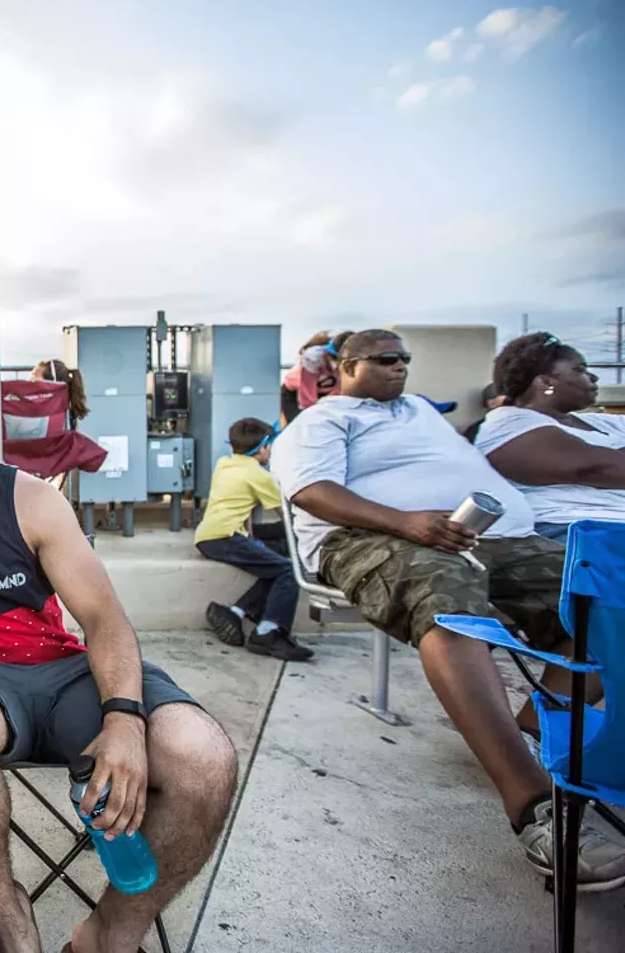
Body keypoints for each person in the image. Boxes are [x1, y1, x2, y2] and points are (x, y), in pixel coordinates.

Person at [0, 318, 236, 953]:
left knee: (203, 757)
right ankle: (12, 927)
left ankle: (106, 936)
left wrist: (123, 718)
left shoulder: (32, 499)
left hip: (61, 675)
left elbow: (102, 617)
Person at [271, 328, 625, 888]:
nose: (401, 367)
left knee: (608, 596)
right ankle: (532, 807)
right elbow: (313, 491)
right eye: (386, 359)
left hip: (489, 537)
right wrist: (410, 521)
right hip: (371, 535)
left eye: (406, 358)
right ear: (345, 366)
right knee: (447, 592)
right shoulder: (320, 421)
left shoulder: (418, 412)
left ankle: (531, 730)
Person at [477, 332, 625, 542]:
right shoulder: (507, 425)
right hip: (575, 529)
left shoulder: (600, 422)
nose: (593, 377)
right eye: (580, 370)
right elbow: (600, 469)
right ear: (545, 382)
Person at [194, 417, 311, 661]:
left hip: (208, 535)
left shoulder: (225, 463)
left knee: (275, 565)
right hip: (225, 536)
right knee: (289, 570)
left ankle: (235, 612)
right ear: (262, 449)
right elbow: (287, 515)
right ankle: (269, 633)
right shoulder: (257, 475)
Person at [280, 330, 351, 424]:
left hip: (327, 393)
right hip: (296, 393)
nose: (336, 366)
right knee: (302, 424)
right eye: (334, 358)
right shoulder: (314, 358)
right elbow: (307, 398)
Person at [31, 358, 91, 423]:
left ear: (51, 384)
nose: (29, 380)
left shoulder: (51, 412)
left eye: (34, 376)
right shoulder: (64, 408)